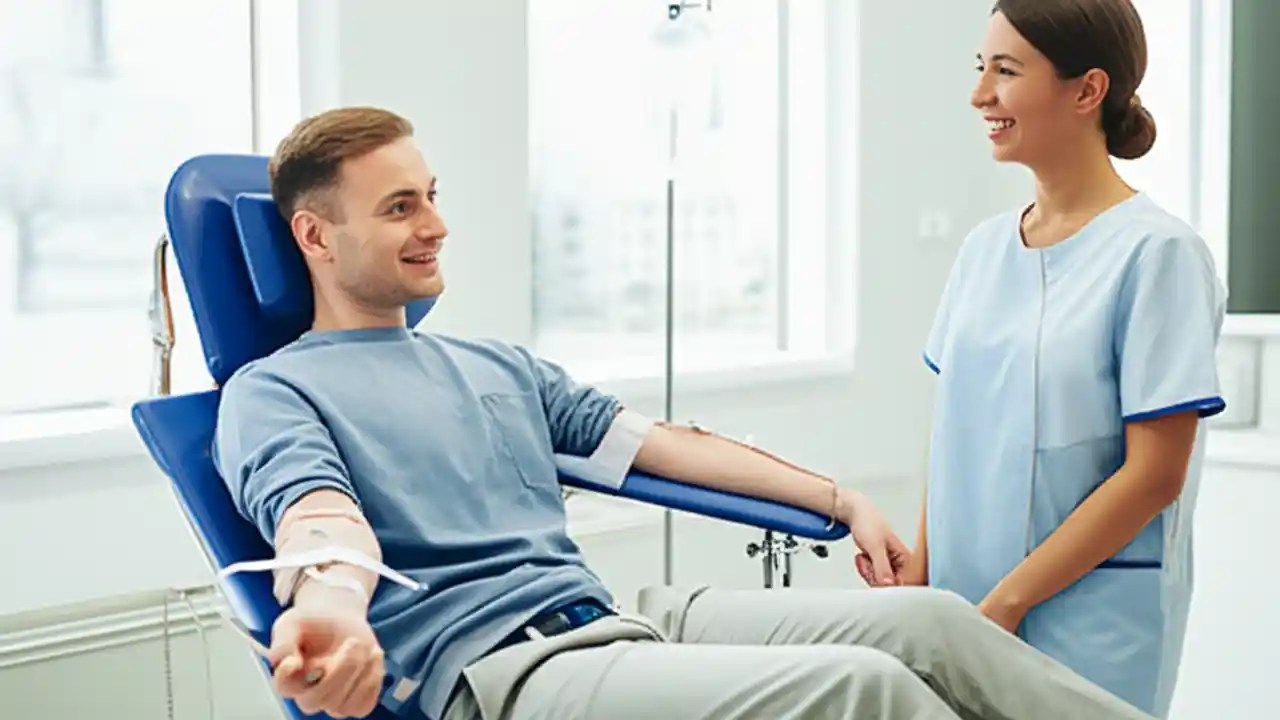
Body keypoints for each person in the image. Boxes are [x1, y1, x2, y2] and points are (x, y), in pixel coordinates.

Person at [213, 105, 1156, 720]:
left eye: (433, 198)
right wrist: (336, 610)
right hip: (506, 671)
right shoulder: (275, 391)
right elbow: (319, 523)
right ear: (315, 236)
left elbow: (660, 446)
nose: (435, 224)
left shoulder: (490, 364)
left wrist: (843, 501)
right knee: (865, 692)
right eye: (399, 209)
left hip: (616, 619)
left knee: (933, 625)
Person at [886, 1, 1226, 717]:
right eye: (981, 69)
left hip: (1089, 624)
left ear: (1087, 90)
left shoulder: (1158, 255)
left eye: (1005, 71)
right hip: (960, 611)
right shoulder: (983, 251)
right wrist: (919, 579)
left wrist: (1008, 602)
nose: (981, 94)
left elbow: (1154, 475)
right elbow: (950, 433)